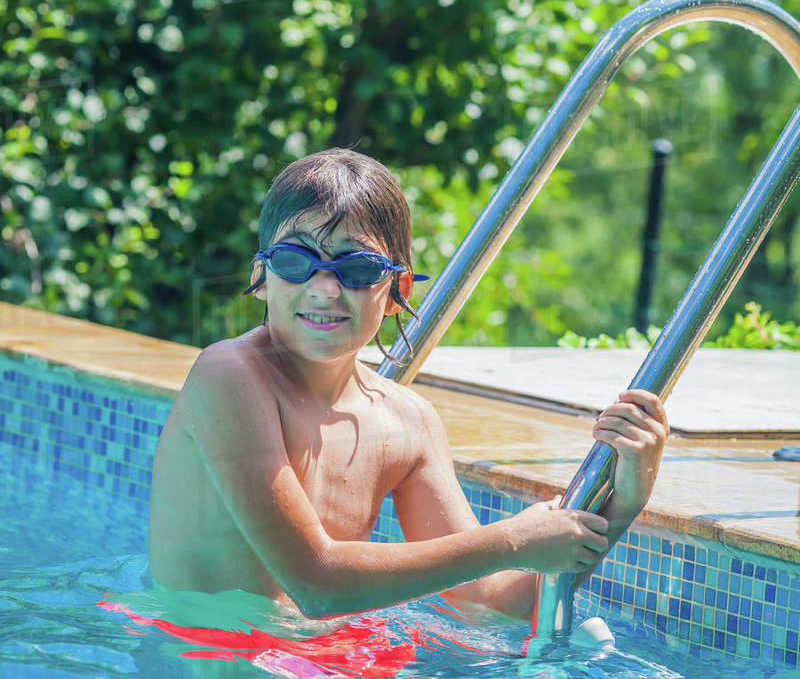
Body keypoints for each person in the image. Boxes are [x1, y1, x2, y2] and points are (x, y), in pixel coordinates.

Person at [147, 146, 669, 627]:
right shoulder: (231, 376)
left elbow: (489, 601)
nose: (324, 287)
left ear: (397, 289)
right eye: (294, 261)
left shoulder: (406, 421)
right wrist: (512, 539)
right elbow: (316, 585)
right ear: (263, 276)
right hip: (208, 660)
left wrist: (620, 504)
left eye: (356, 268)